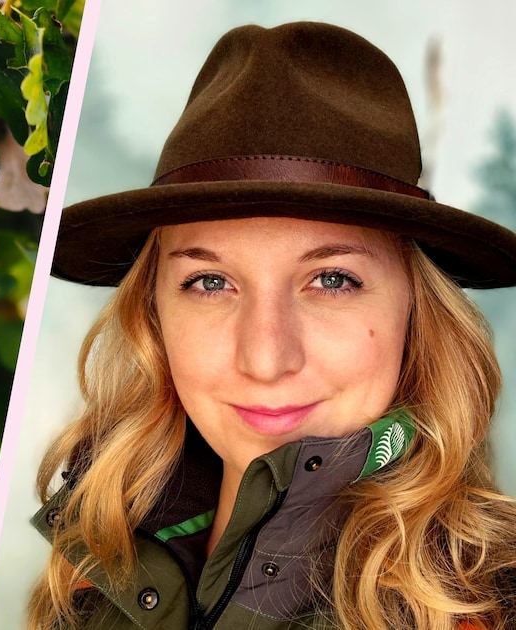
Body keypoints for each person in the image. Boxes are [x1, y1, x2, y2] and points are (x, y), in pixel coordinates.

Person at [27, 21, 516, 630]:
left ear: (416, 311)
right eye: (210, 283)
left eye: (332, 279)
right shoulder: (92, 575)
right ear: (153, 315)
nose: (265, 357)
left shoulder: (494, 604)